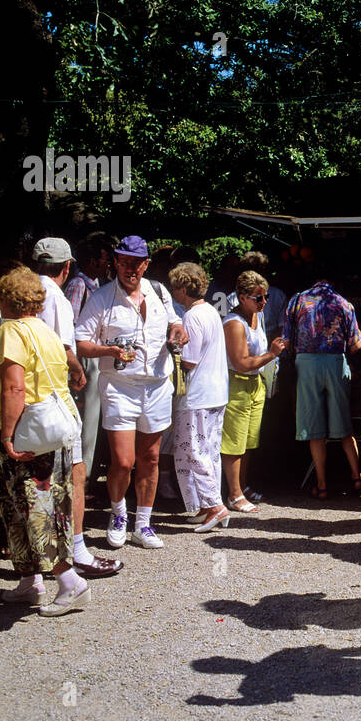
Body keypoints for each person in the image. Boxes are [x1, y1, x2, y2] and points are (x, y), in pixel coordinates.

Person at [0, 266, 90, 615]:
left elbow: (14, 386)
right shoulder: (45, 331)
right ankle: (29, 579)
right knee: (22, 509)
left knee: (31, 508)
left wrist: (6, 435)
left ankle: (70, 583)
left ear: (5, 298)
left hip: (21, 433)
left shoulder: (10, 331)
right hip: (47, 434)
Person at [74, 236, 188, 550]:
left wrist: (178, 333)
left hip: (156, 386)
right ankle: (119, 514)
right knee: (123, 461)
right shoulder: (101, 297)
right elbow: (80, 341)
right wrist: (108, 349)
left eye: (136, 263)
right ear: (115, 262)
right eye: (123, 261)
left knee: (150, 458)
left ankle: (144, 524)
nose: (130, 269)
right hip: (119, 387)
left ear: (146, 264)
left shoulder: (161, 292)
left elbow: (177, 325)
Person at [32, 238, 118, 578]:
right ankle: (76, 550)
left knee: (40, 476)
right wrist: (79, 371)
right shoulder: (59, 296)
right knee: (74, 471)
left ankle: (39, 561)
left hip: (30, 393)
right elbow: (66, 347)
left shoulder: (23, 292)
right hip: (54, 392)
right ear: (67, 267)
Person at [281, 265, 361, 499]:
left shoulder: (297, 301)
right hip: (336, 363)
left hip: (306, 364)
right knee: (344, 426)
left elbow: (286, 340)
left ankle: (322, 485)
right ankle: (357, 478)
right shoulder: (344, 303)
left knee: (315, 428)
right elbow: (356, 344)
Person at [168, 262, 231, 531]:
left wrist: (172, 350)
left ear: (184, 288)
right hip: (216, 392)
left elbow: (189, 360)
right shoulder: (210, 312)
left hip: (197, 394)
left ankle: (214, 505)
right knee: (209, 451)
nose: (173, 293)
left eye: (175, 287)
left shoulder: (191, 317)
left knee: (192, 451)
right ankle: (209, 505)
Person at [222, 271, 288, 512]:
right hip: (238, 384)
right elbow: (240, 362)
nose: (264, 303)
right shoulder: (234, 323)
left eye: (265, 297)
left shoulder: (256, 318)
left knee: (249, 441)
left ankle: (241, 485)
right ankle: (234, 493)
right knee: (234, 443)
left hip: (255, 384)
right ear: (241, 297)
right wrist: (271, 354)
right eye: (257, 298)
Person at [64, 233, 114, 498]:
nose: (107, 265)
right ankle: (82, 479)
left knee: (99, 418)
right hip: (87, 356)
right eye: (105, 259)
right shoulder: (79, 285)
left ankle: (91, 474)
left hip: (98, 354)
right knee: (90, 420)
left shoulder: (98, 285)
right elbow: (72, 325)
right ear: (93, 261)